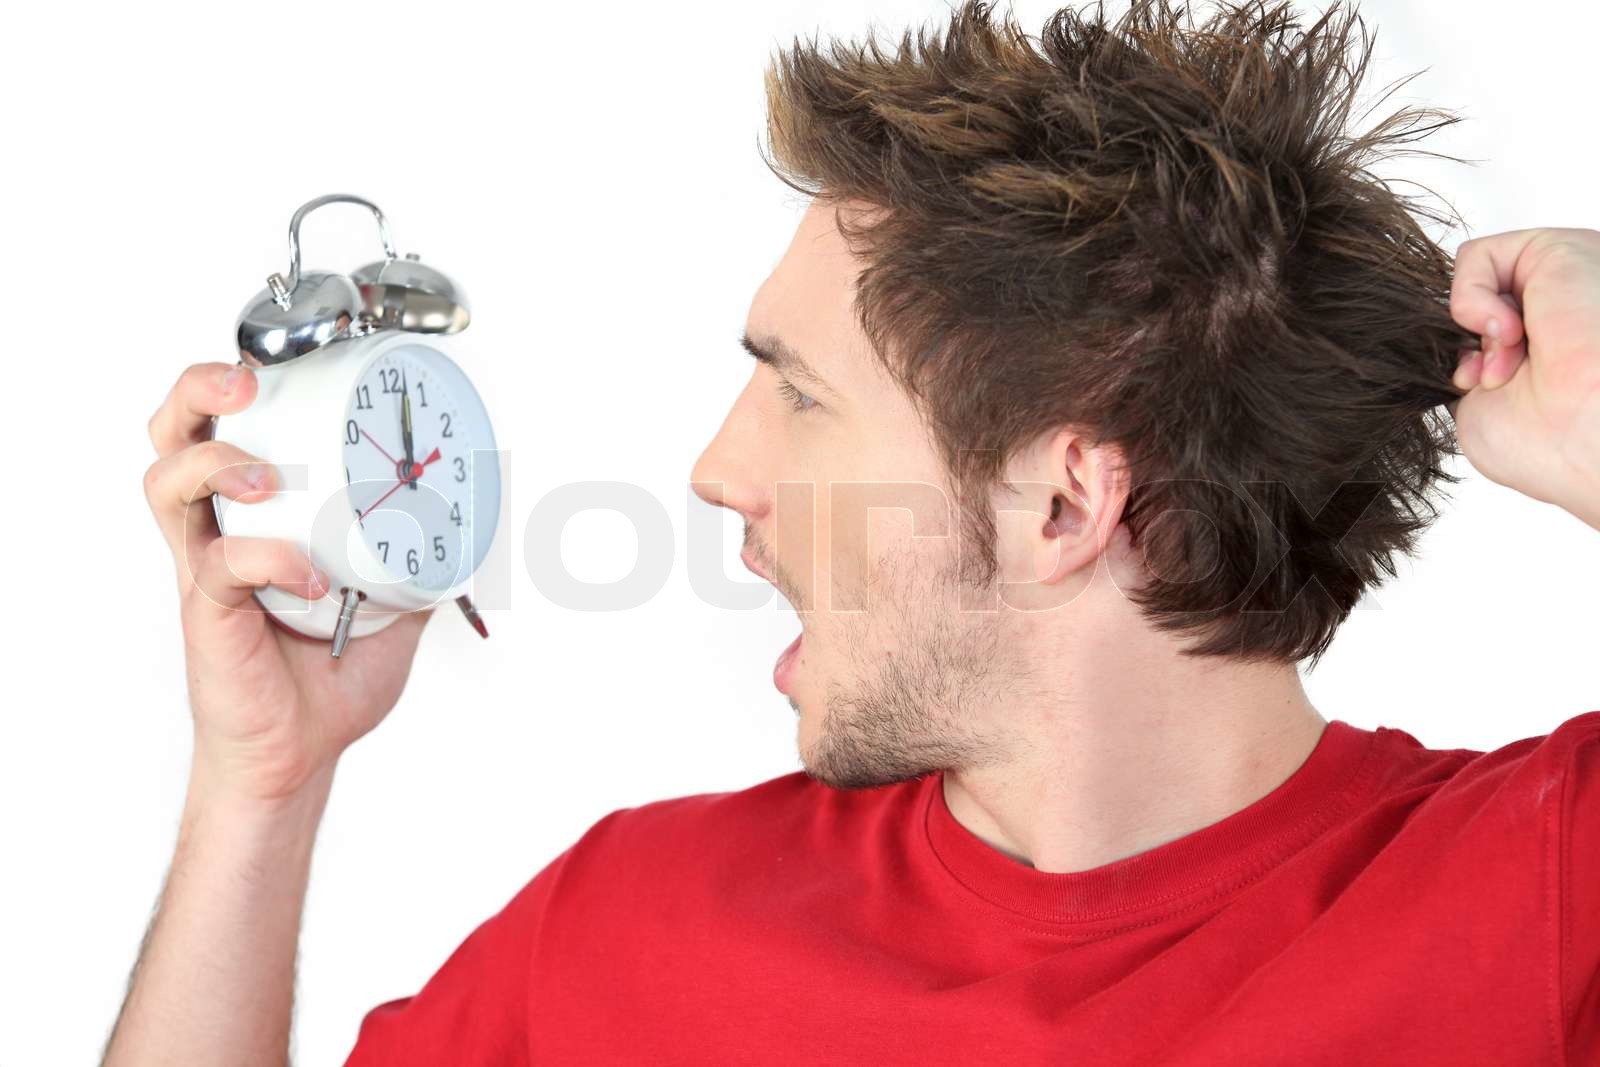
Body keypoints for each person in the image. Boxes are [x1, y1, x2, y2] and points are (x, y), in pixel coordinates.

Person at [106, 1, 1599, 1063]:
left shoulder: (1541, 907)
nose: (714, 470)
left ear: (1067, 503)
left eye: (800, 398)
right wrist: (262, 791)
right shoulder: (637, 936)